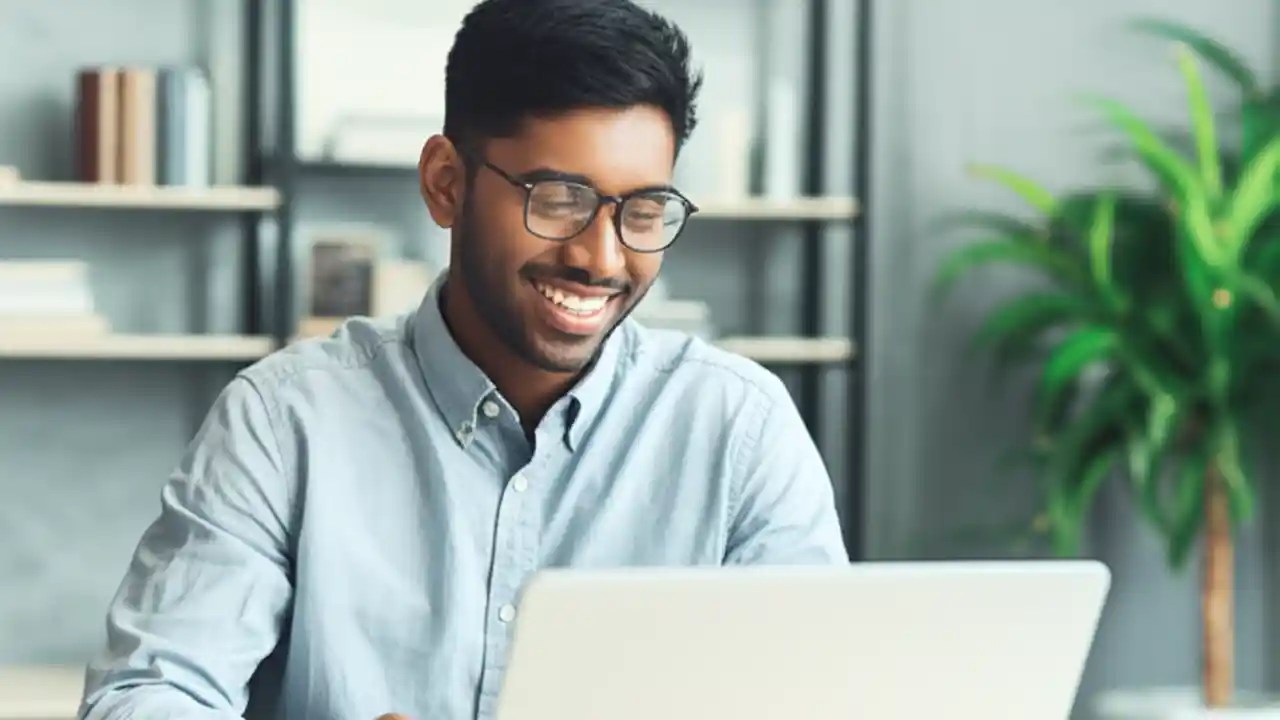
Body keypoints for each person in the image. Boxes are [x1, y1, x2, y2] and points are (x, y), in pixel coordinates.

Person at [79, 0, 847, 718]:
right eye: (559, 200)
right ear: (446, 183)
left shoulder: (738, 427)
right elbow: (148, 694)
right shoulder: (284, 422)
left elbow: (822, 696)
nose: (602, 257)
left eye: (643, 211)